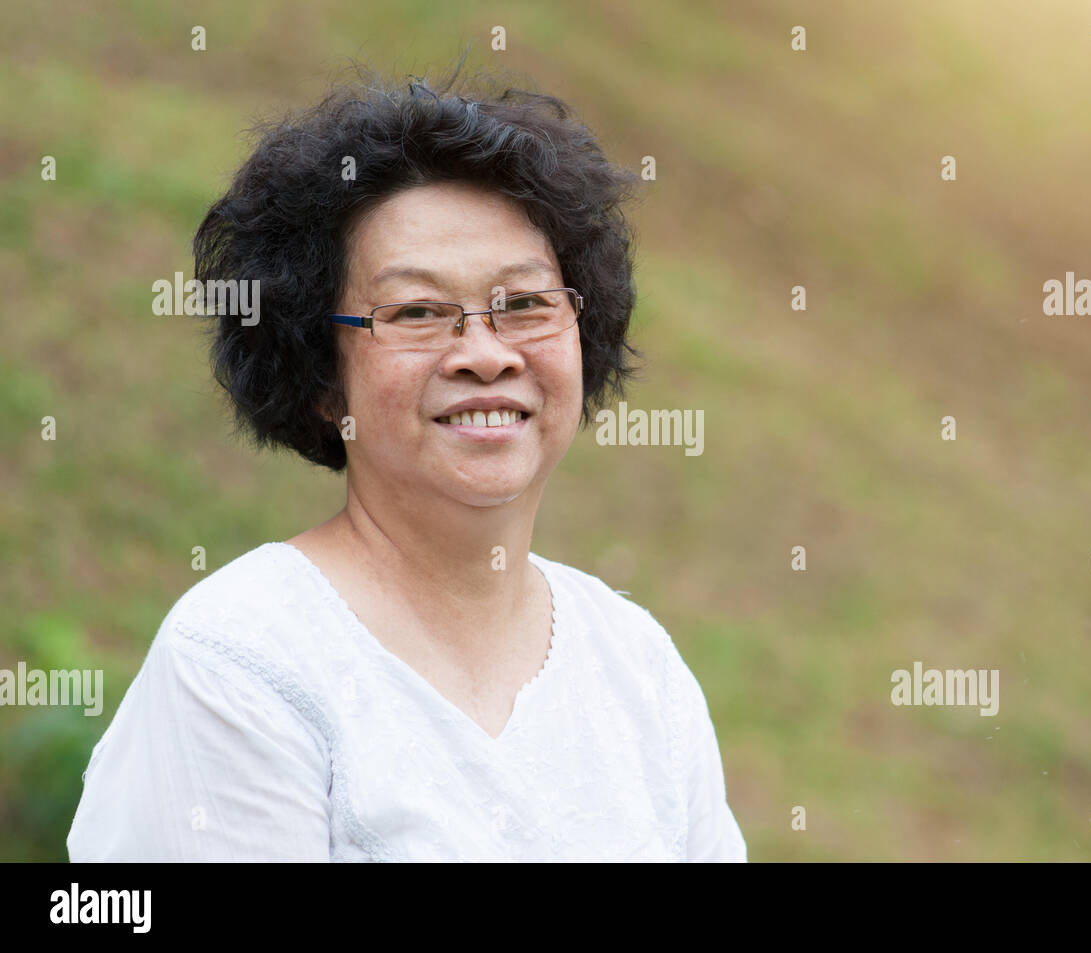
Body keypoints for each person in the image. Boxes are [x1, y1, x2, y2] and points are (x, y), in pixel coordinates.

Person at [65, 63, 747, 862]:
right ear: (322, 378)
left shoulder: (639, 669)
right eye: (418, 311)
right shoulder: (241, 664)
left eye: (524, 303)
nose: (486, 355)